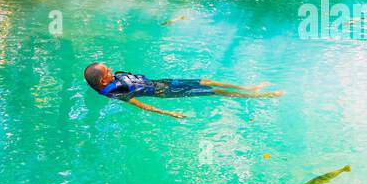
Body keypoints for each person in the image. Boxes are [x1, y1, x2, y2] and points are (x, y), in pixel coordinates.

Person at [83, 61, 284, 119]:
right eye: (107, 71)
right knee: (213, 91)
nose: (111, 70)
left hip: (162, 82)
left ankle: (249, 87)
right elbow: (140, 104)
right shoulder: (114, 92)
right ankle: (262, 95)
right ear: (102, 81)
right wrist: (169, 113)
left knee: (205, 81)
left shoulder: (110, 80)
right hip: (165, 92)